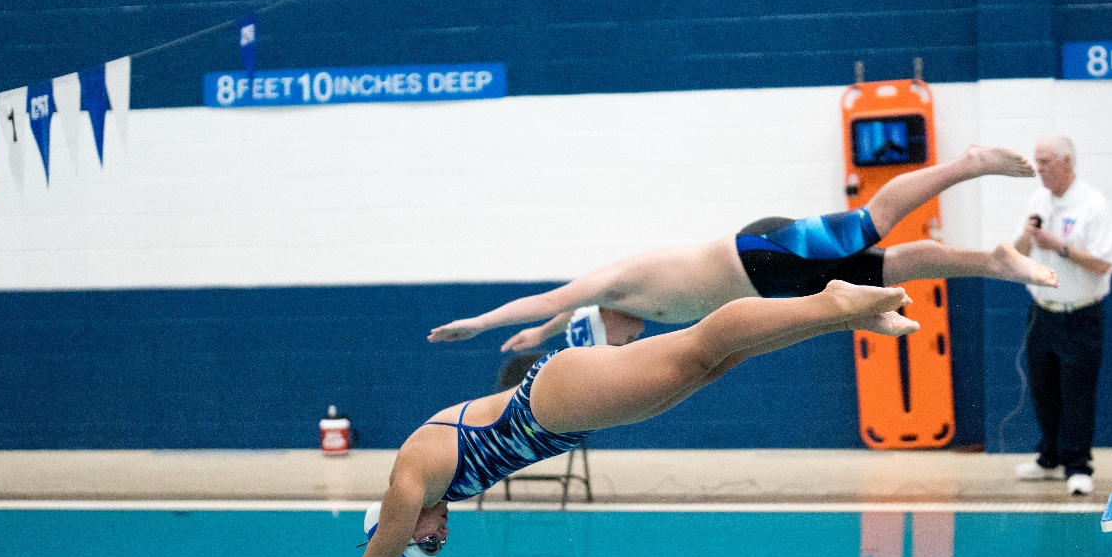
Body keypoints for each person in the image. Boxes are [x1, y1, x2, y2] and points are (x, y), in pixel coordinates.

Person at [289, 281, 918, 557]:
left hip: (551, 401)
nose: (436, 541)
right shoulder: (433, 487)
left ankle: (834, 303)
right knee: (712, 365)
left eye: (423, 544)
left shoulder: (408, 479)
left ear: (395, 526)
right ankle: (840, 315)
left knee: (697, 349)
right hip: (562, 414)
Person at [427, 145, 1051, 351]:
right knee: (891, 265)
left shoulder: (613, 284)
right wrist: (542, 337)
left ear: (603, 321)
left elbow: (551, 298)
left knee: (872, 222)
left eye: (611, 342)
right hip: (773, 279)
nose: (623, 345)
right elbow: (563, 313)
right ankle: (993, 264)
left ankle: (968, 164)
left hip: (761, 252)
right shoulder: (624, 309)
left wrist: (479, 323)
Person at [1011, 135, 1112, 496]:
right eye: (1036, 161)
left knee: (1077, 392)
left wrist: (1060, 247)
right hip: (1042, 311)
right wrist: (1026, 237)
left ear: (1067, 162)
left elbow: (1102, 263)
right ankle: (1049, 456)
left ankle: (1078, 464)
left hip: (1080, 314)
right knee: (1043, 389)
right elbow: (1019, 252)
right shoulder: (1038, 199)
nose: (1038, 169)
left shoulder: (1092, 204)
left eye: (1045, 162)